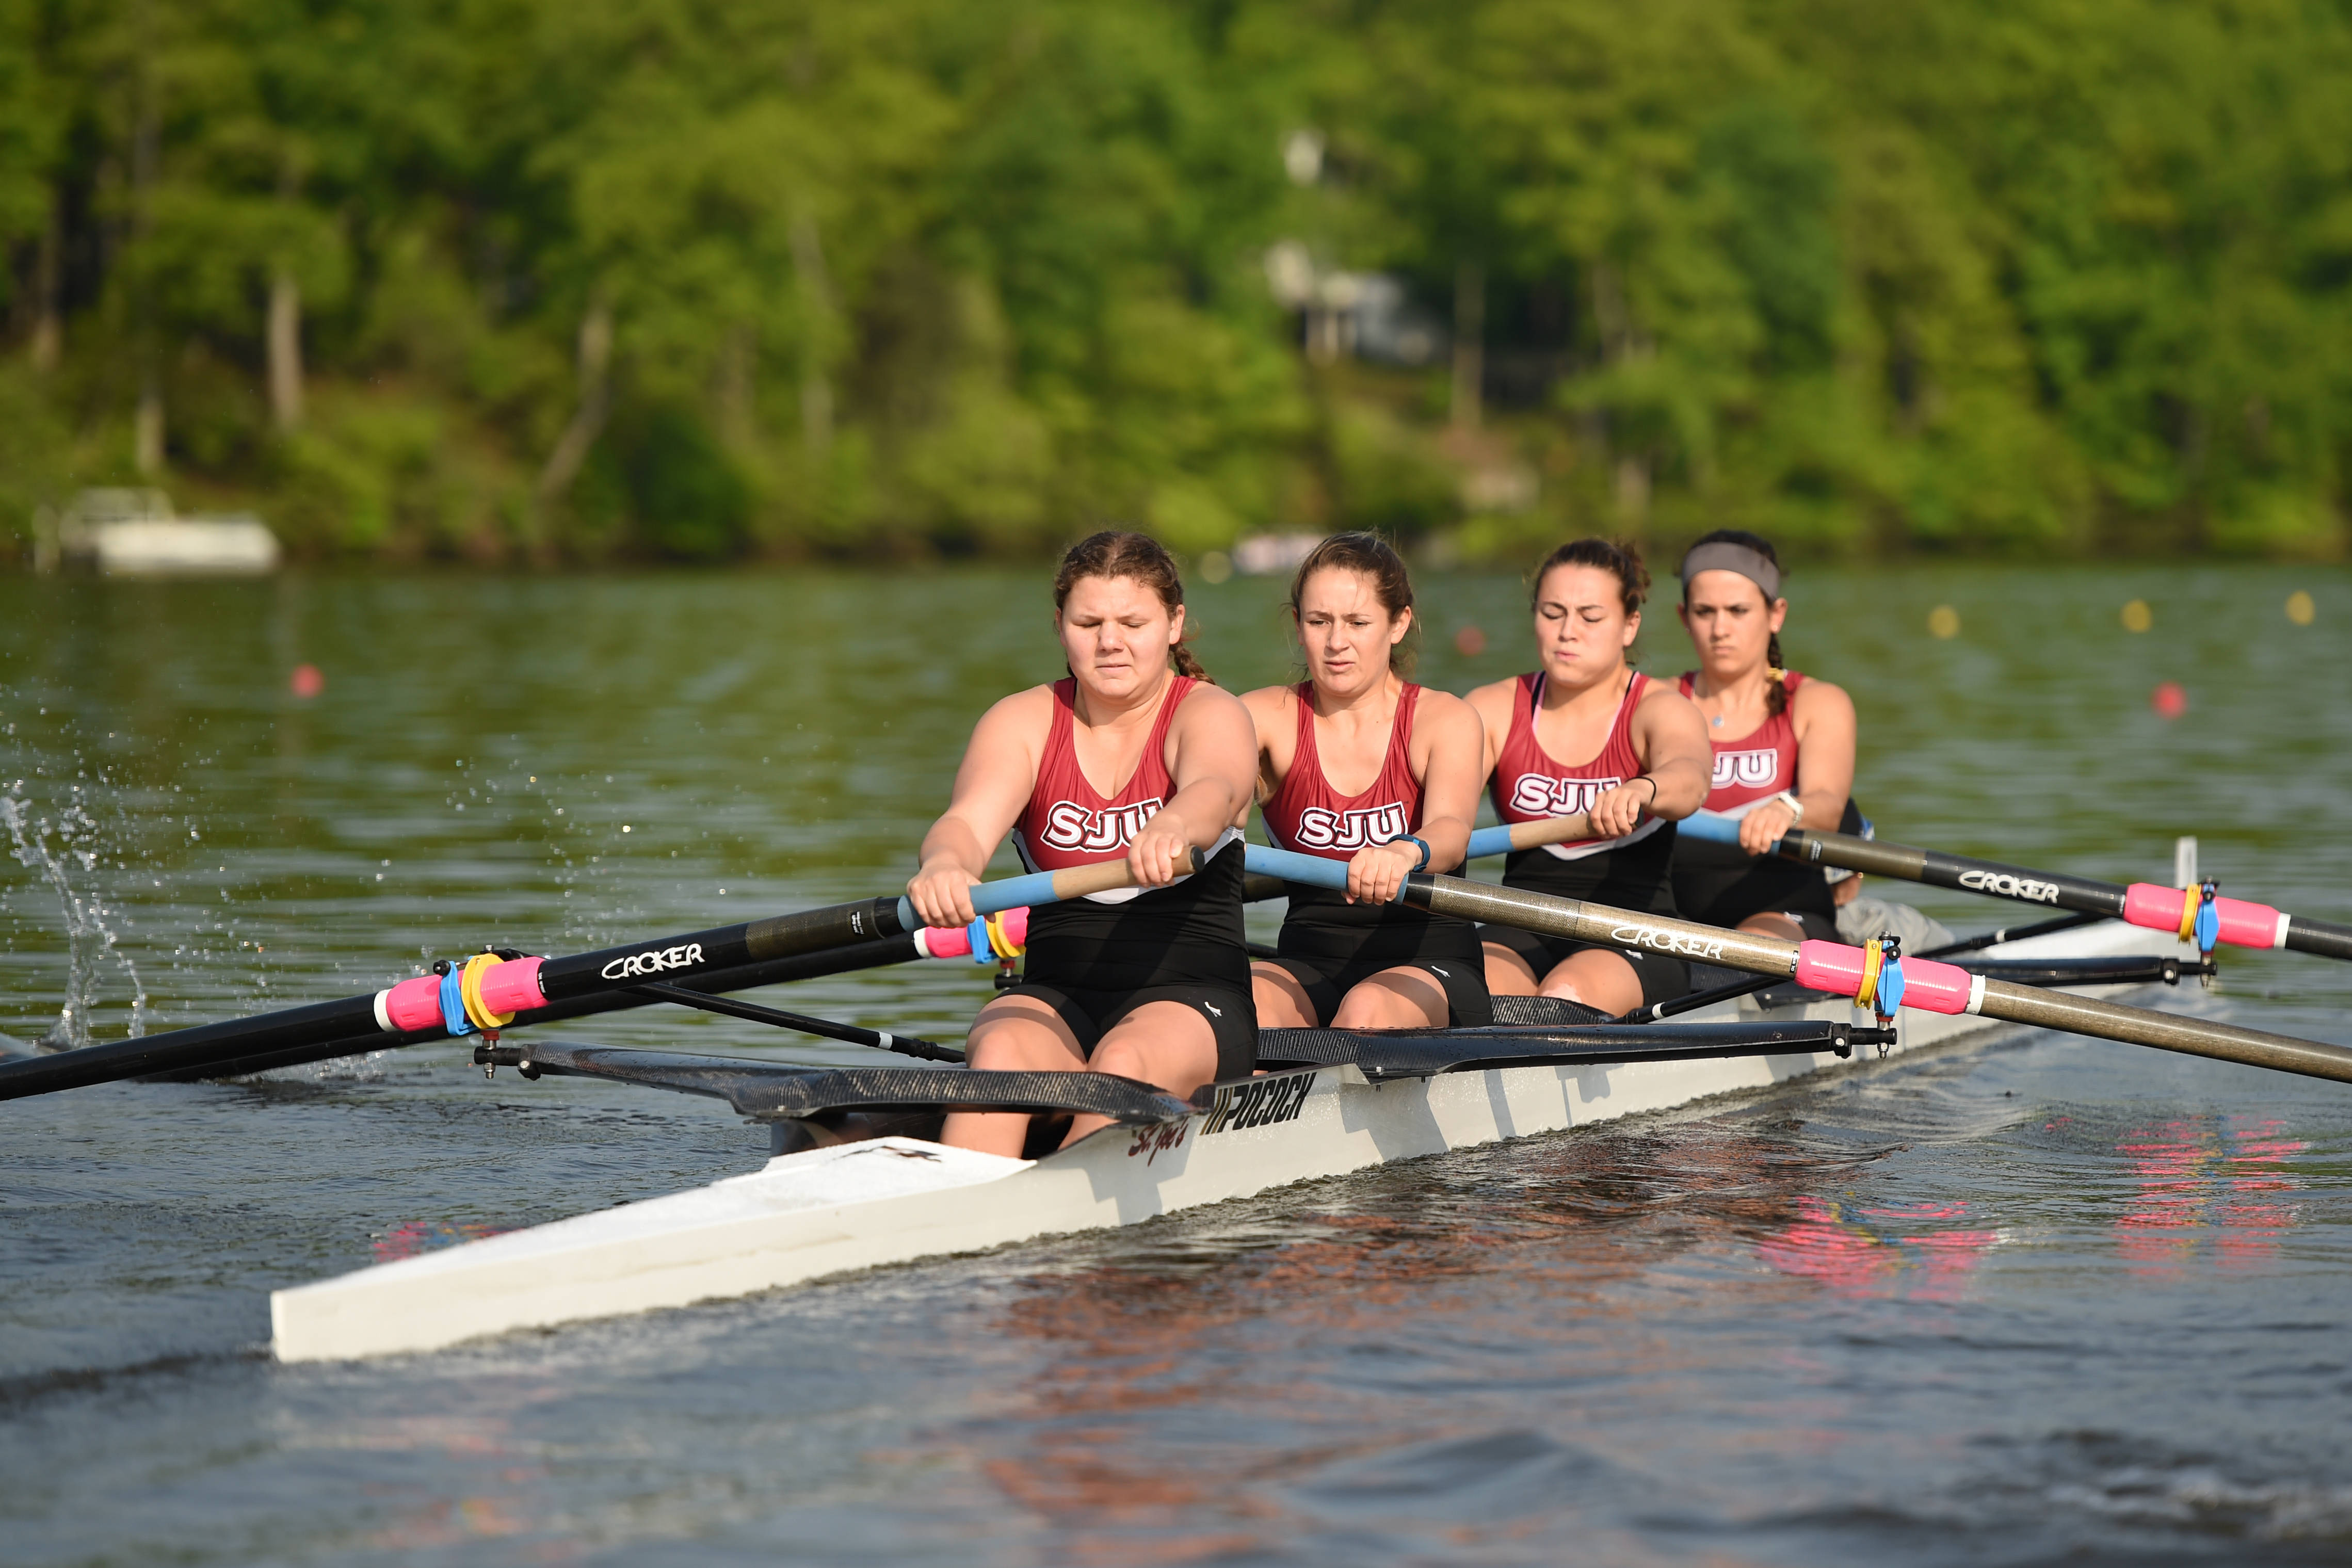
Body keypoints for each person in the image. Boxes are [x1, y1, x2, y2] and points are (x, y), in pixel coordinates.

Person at [908, 531, 1259, 1156]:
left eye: (1133, 621)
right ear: (1060, 626)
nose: (1110, 642)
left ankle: (1074, 1232)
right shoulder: (1021, 721)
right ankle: (955, 1228)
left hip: (1192, 999)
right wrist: (946, 866)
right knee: (998, 1050)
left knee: (1121, 1062)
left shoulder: (1209, 713)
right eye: (1088, 622)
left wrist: (1175, 826)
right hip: (1055, 996)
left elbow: (1216, 789)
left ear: (1174, 624)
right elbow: (965, 822)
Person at [1244, 533, 1492, 1031]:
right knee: (1236, 1001)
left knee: (1364, 1010)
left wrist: (1405, 852)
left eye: (1358, 623)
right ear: (1298, 624)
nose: (1337, 642)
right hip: (1307, 962)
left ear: (1399, 623)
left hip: (1430, 963)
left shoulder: (1443, 719)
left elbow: (1450, 828)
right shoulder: (1259, 717)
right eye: (1319, 622)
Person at [1467, 538, 1712, 1016]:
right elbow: (1440, 804)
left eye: (1590, 617)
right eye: (1552, 612)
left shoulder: (1659, 707)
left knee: (1563, 998)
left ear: (1630, 625)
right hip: (1519, 922)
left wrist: (1646, 787)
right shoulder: (1492, 707)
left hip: (1634, 930)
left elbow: (1691, 778)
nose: (1567, 632)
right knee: (1480, 997)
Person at [1669, 529, 1858, 943]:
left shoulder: (1817, 702)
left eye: (1738, 610)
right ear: (1684, 618)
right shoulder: (1657, 700)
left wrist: (1786, 810)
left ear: (1776, 614)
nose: (1720, 629)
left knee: (1742, 954)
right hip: (1671, 911)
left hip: (1784, 907)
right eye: (1705, 612)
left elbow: (1826, 804)